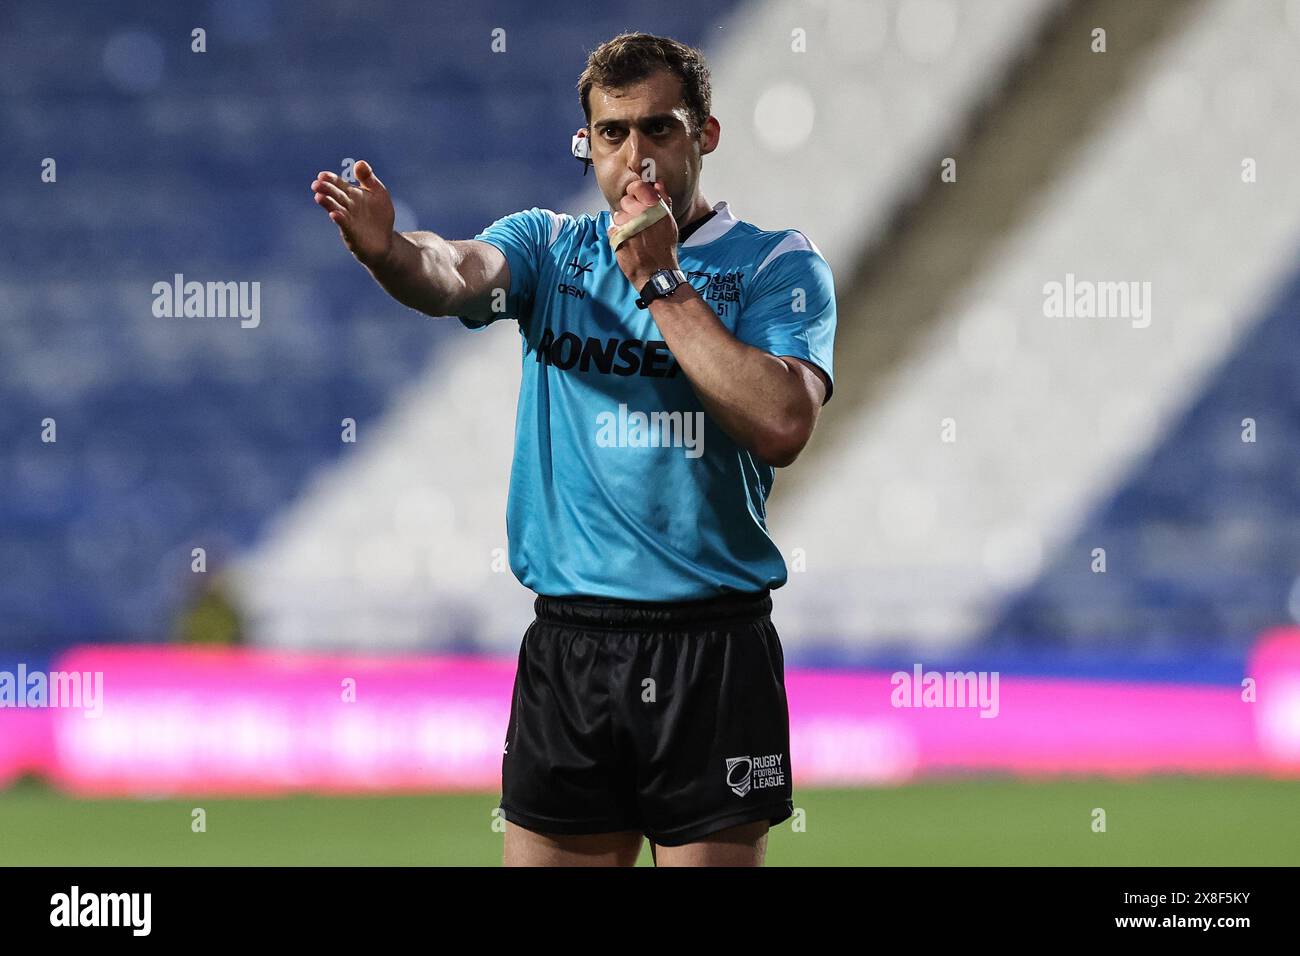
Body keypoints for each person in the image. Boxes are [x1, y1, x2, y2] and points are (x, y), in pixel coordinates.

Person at [309, 32, 836, 866]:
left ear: (705, 134)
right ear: (585, 143)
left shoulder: (777, 265)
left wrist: (660, 278)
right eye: (613, 133)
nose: (638, 158)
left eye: (660, 130)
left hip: (714, 647)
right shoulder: (551, 249)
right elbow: (456, 271)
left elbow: (781, 424)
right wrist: (391, 252)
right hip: (572, 646)